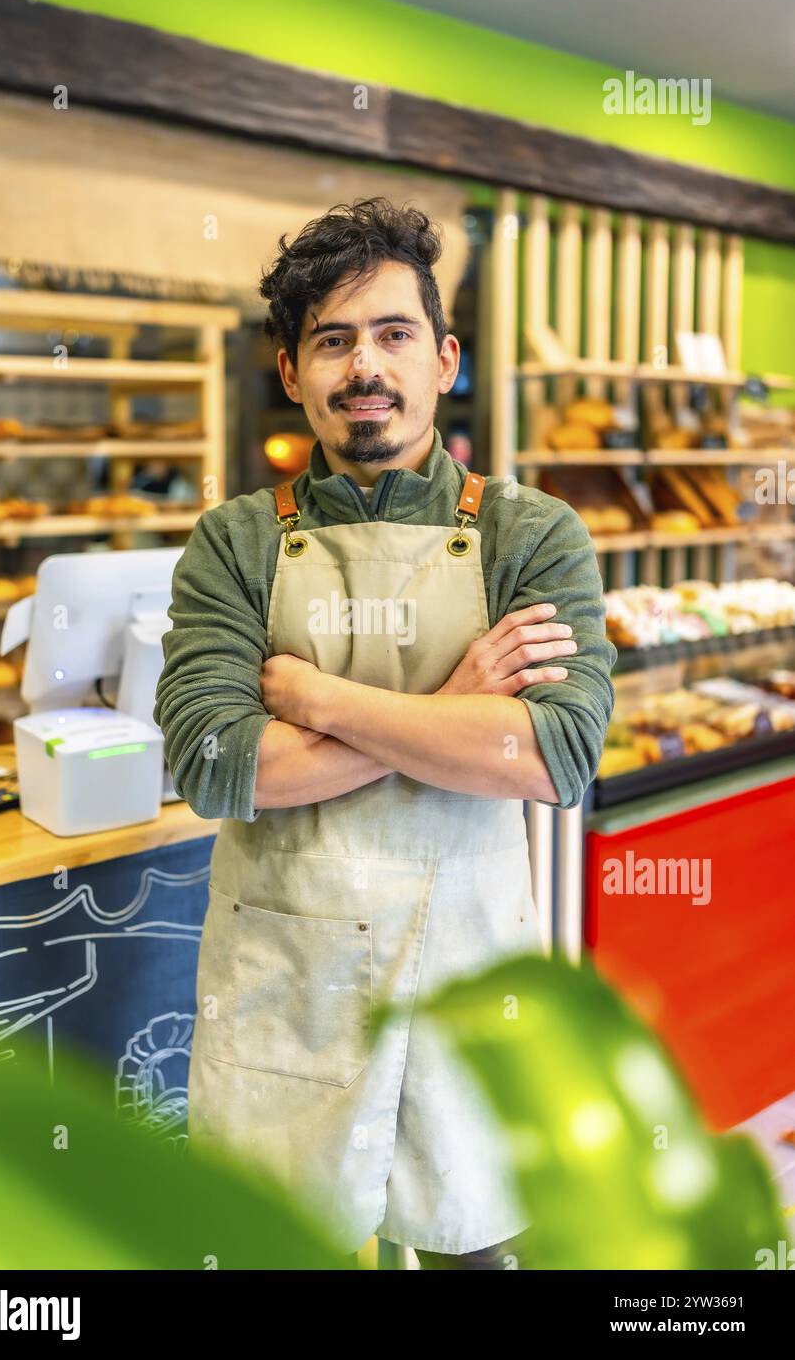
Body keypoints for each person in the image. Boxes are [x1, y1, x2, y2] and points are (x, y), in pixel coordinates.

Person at [154, 197, 616, 1269]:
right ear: (292, 371)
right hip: (283, 987)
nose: (364, 364)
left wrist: (318, 702)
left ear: (444, 359)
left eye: (392, 333)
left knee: (475, 1254)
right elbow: (215, 763)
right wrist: (461, 703)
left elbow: (551, 755)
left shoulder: (527, 531)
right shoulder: (233, 541)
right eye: (332, 339)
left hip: (469, 976)